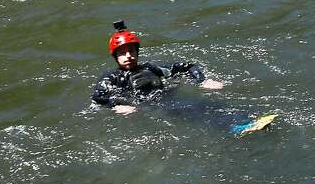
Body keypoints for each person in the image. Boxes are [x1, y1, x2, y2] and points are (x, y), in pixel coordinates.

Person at [91, 21, 225, 115]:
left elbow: (187, 67)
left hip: (169, 100)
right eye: (122, 53)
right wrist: (116, 106)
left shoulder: (151, 68)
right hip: (145, 109)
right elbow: (98, 97)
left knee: (206, 106)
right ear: (115, 56)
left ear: (137, 53)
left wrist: (202, 80)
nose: (128, 56)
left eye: (131, 51)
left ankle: (239, 121)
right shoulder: (111, 78)